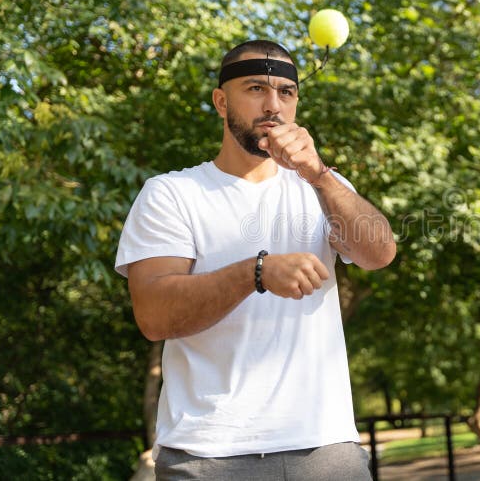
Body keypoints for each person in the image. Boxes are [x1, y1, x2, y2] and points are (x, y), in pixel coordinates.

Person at [115, 39, 396, 480]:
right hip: (208, 453)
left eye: (286, 92)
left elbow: (380, 253)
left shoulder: (323, 186)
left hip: (325, 448)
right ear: (221, 102)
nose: (273, 105)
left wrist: (319, 174)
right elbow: (154, 315)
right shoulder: (171, 194)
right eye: (255, 89)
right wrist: (256, 272)